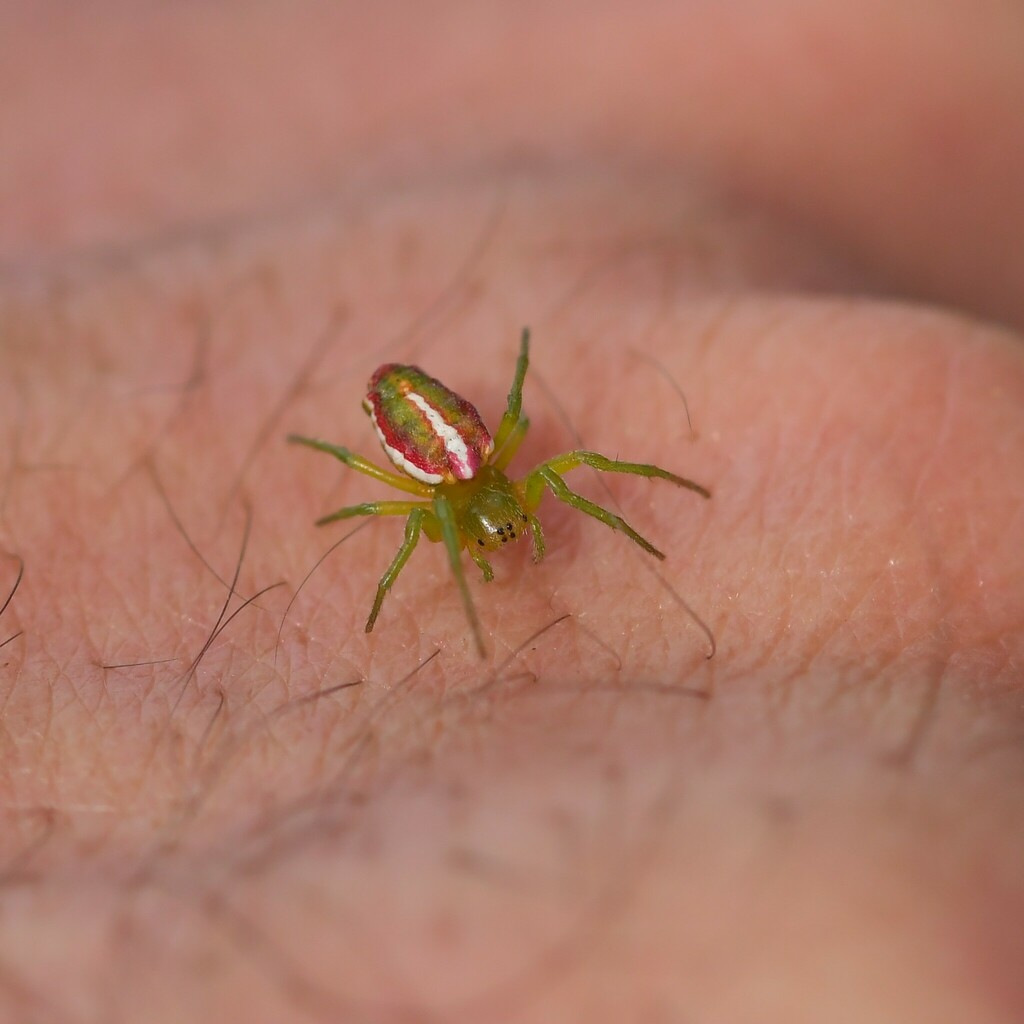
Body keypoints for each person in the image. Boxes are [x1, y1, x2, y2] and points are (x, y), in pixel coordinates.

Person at [1, 3, 1022, 1020]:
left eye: (505, 528)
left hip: (444, 438)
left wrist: (630, 493)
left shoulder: (508, 478)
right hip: (421, 428)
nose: (508, 535)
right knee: (413, 520)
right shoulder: (441, 508)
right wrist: (413, 552)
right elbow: (406, 531)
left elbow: (571, 460)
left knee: (569, 468)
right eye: (498, 529)